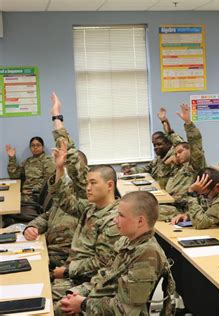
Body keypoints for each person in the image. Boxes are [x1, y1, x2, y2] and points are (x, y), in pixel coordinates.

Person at [57, 191, 175, 315]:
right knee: (57, 305)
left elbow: (124, 310)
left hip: (105, 310)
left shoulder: (147, 255)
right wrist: (78, 293)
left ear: (140, 221)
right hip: (97, 303)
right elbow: (104, 276)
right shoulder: (126, 241)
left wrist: (83, 304)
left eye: (121, 215)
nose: (115, 220)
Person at [23, 92, 88, 268]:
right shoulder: (65, 190)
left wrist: (57, 117)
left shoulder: (86, 198)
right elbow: (47, 216)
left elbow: (72, 158)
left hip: (65, 260)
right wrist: (32, 227)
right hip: (48, 249)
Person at [50, 158, 121, 300]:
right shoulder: (92, 207)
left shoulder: (114, 220)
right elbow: (64, 200)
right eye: (87, 183)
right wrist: (59, 169)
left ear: (109, 185)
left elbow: (102, 262)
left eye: (93, 183)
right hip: (74, 272)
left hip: (91, 282)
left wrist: (67, 271)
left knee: (45, 299)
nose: (88, 188)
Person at [123, 107, 184, 189]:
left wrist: (165, 123)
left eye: (159, 144)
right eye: (154, 145)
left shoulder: (176, 156)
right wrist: (132, 171)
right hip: (157, 188)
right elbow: (148, 167)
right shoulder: (159, 158)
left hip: (170, 192)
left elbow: (181, 144)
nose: (156, 147)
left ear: (169, 144)